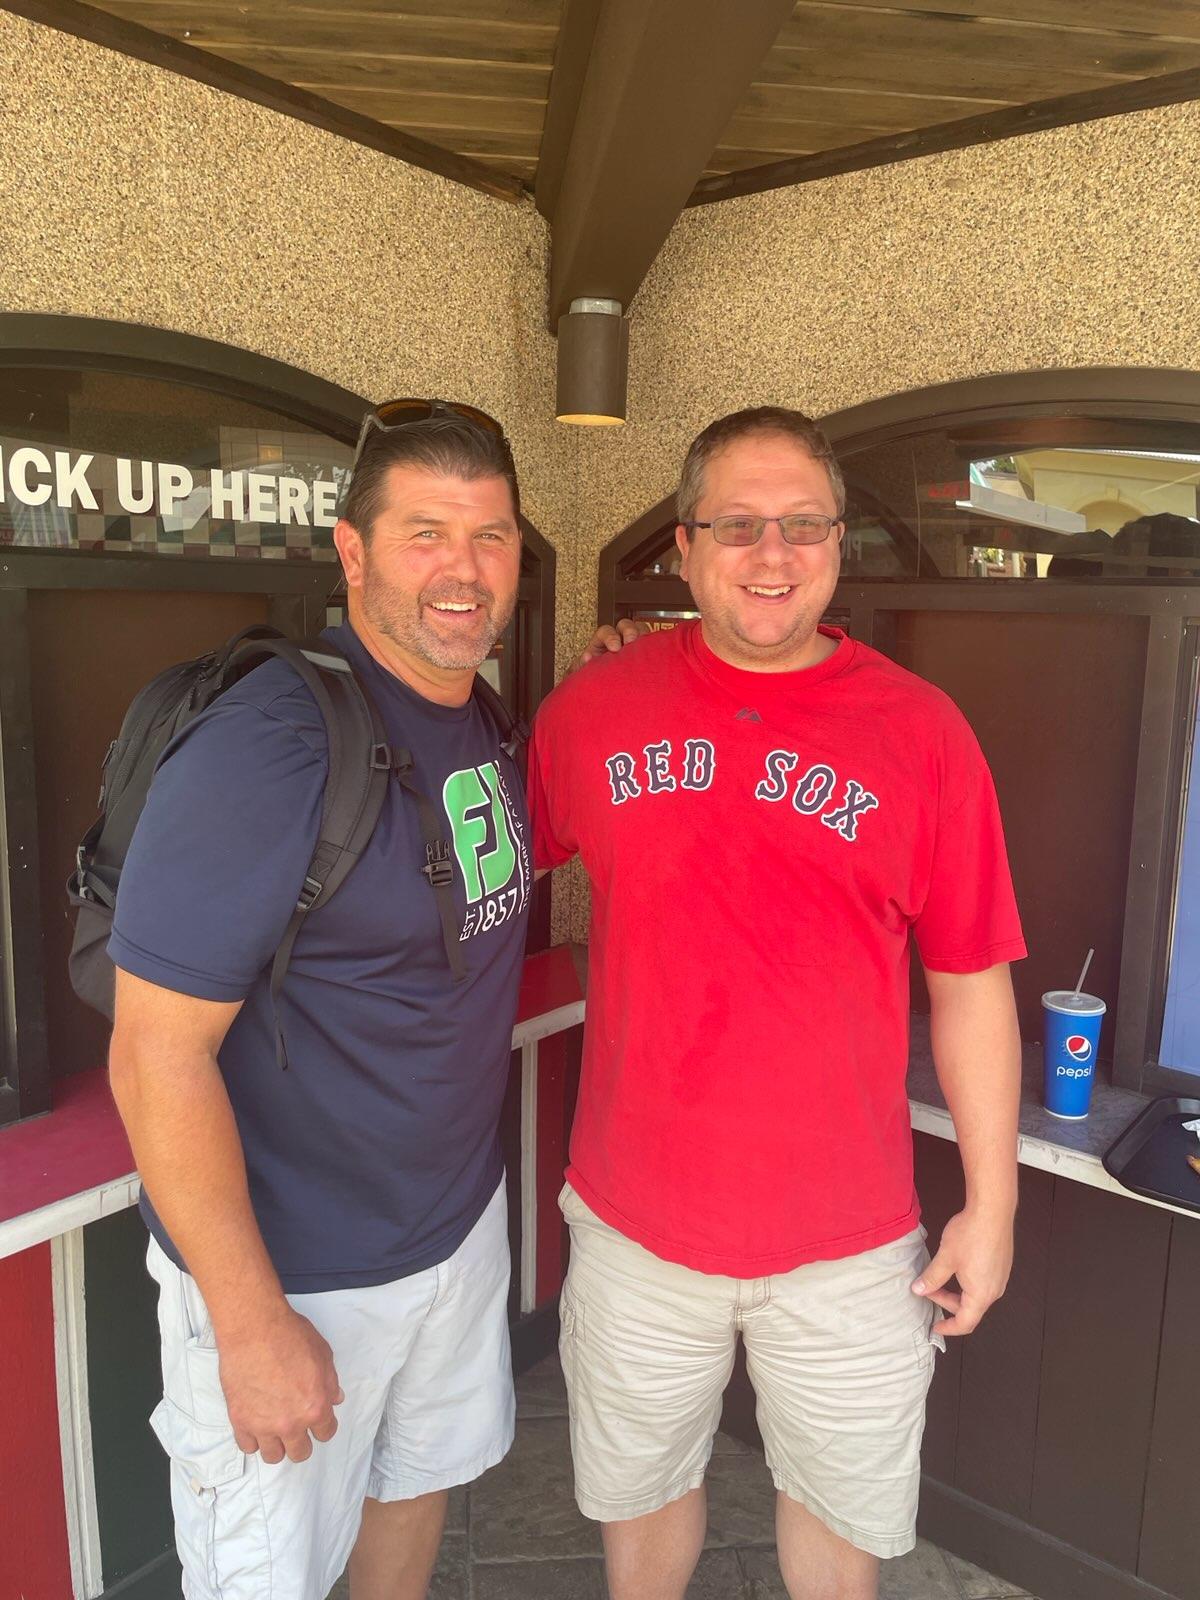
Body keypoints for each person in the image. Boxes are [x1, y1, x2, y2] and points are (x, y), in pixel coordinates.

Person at [527, 406, 1026, 1600]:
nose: (772, 552)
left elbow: (971, 990)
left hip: (851, 1246)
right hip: (637, 1223)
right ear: (687, 548)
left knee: (837, 1540)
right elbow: (479, 890)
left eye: (804, 524)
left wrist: (992, 1206)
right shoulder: (592, 714)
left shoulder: (923, 735)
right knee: (640, 1516)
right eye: (739, 524)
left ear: (839, 546)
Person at [109, 400, 574, 1600]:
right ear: (352, 552)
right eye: (425, 533)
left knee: (410, 1501)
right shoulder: (272, 741)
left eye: (490, 536)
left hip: (452, 1230)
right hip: (296, 1273)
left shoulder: (473, 711)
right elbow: (155, 1056)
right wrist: (251, 1320)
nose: (463, 570)